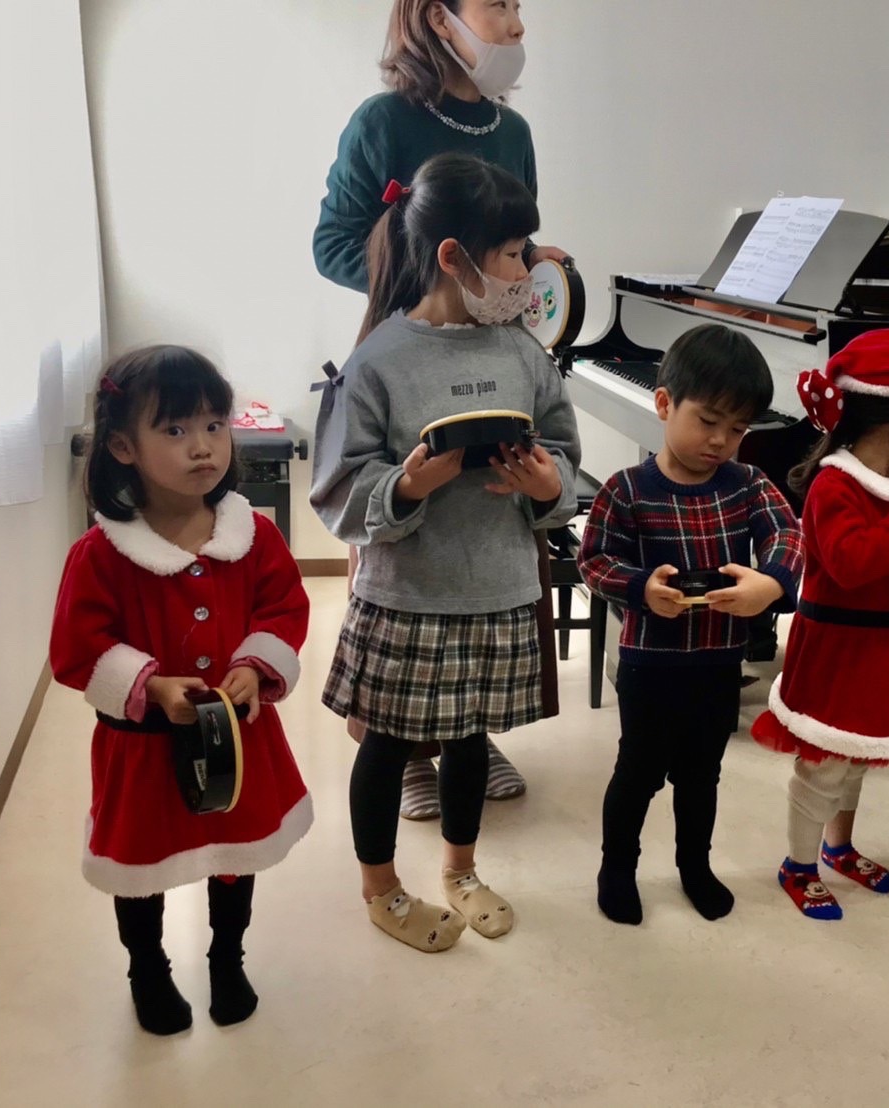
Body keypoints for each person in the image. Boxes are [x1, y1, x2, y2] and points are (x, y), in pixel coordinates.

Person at [310, 152, 580, 952]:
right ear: (452, 258)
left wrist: (543, 484)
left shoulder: (523, 352)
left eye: (528, 252)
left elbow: (565, 455)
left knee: (471, 738)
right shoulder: (378, 362)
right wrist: (408, 484)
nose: (528, 271)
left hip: (498, 587)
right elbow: (338, 491)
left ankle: (460, 869)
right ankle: (380, 888)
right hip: (408, 596)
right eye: (512, 254)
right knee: (388, 743)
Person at [314, 0, 572, 815]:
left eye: (519, 6)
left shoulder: (513, 132)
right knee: (407, 538)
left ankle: (473, 727)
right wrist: (430, 291)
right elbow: (331, 244)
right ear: (437, 16)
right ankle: (402, 741)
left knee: (489, 530)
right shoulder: (382, 120)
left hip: (495, 343)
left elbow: (511, 234)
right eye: (497, 4)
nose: (516, 24)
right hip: (410, 338)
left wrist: (522, 265)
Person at [51, 346, 313, 1033]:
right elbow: (77, 651)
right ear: (122, 446)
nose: (202, 447)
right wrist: (150, 684)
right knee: (141, 865)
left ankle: (228, 958)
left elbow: (283, 610)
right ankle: (148, 969)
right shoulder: (101, 554)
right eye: (174, 430)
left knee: (234, 852)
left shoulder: (252, 534)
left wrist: (255, 665)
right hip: (142, 749)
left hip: (238, 734)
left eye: (213, 426)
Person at [578, 324, 803, 925]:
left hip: (717, 663)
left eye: (738, 429)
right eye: (708, 421)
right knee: (638, 772)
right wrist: (639, 588)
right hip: (649, 665)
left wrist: (774, 582)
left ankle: (694, 866)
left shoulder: (748, 483)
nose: (721, 441)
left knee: (702, 776)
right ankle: (617, 867)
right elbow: (595, 559)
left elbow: (787, 532)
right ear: (664, 403)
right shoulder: (625, 490)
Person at [750, 329, 889, 921]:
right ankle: (798, 863)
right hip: (843, 652)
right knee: (824, 765)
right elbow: (852, 563)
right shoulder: (833, 486)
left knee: (859, 757)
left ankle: (838, 848)